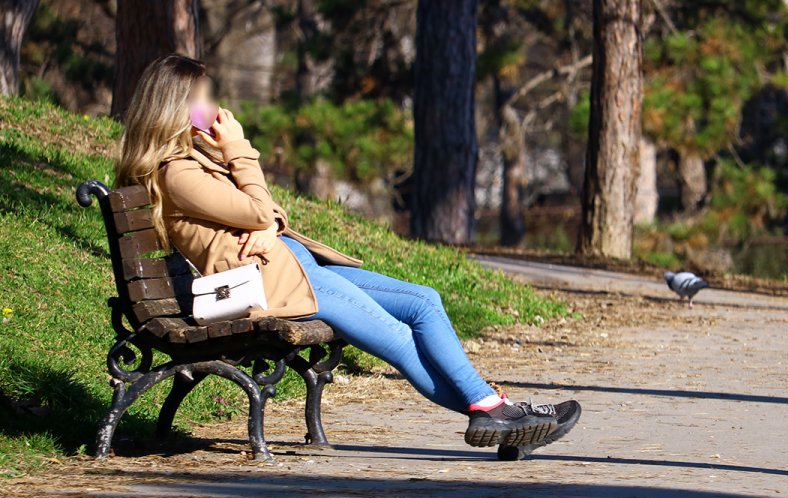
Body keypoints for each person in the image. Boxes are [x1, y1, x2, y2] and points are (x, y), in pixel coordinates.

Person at [114, 54, 580, 457]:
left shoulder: (197, 159)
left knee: (424, 300)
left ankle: (495, 413)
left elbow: (269, 211)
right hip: (276, 283)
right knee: (397, 339)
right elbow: (256, 207)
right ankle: (498, 412)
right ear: (175, 107)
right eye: (204, 97)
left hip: (291, 265)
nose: (216, 109)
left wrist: (270, 225)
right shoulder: (178, 172)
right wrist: (241, 155)